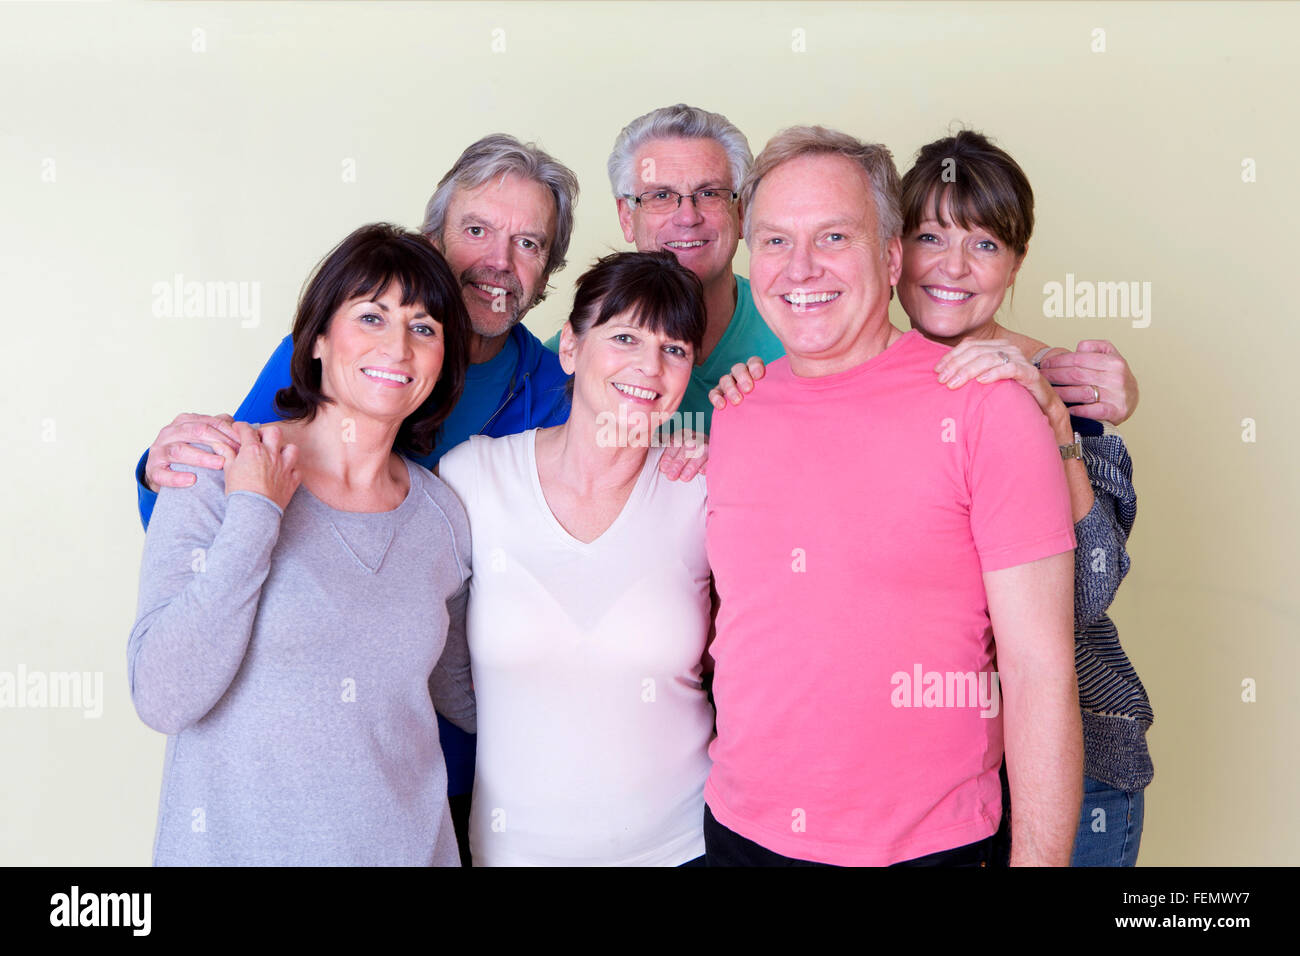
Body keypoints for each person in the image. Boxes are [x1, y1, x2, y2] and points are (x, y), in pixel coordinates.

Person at [711, 130, 1154, 866]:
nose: (801, 266)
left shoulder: (1011, 398)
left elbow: (1054, 645)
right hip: (740, 833)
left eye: (832, 235)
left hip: (978, 818)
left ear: (885, 258)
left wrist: (1059, 421)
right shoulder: (737, 405)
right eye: (775, 241)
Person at [128, 223, 476, 865]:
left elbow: (463, 691)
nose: (398, 346)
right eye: (372, 317)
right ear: (316, 339)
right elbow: (162, 695)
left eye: (424, 328)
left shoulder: (443, 516)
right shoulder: (213, 466)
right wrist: (255, 514)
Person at [438, 251, 714, 866]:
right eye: (624, 337)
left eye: (675, 349)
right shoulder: (473, 479)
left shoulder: (703, 488)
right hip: (514, 852)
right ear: (570, 348)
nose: (650, 366)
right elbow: (438, 655)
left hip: (683, 848)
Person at [545, 104, 784, 436]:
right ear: (627, 217)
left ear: (741, 212)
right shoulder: (571, 357)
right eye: (660, 195)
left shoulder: (795, 330)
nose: (687, 217)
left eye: (709, 193)